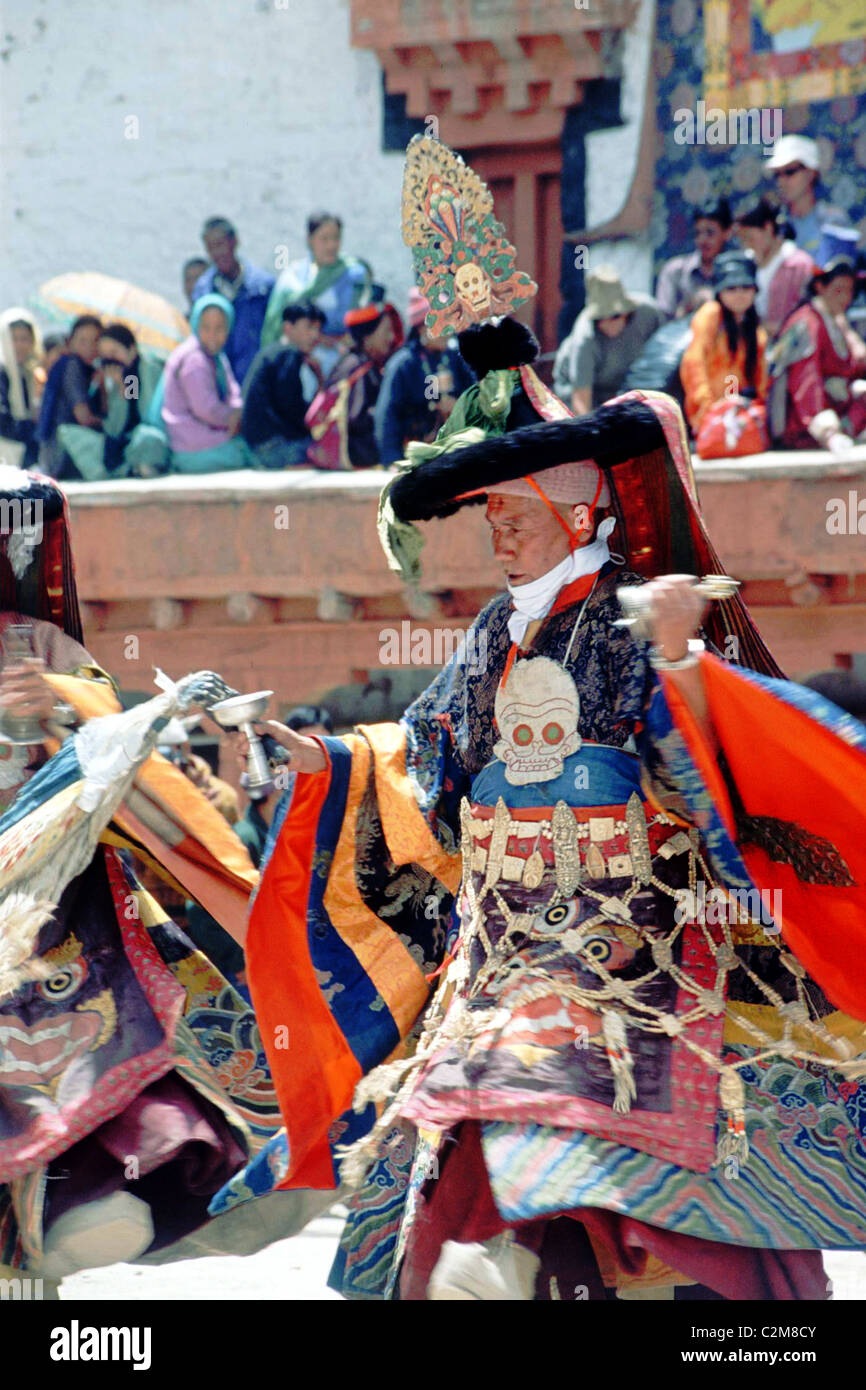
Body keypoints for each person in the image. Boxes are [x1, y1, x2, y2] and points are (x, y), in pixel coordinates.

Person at [232, 388, 866, 1302]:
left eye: (512, 509)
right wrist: (324, 761)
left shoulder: (630, 612)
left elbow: (708, 767)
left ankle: (522, 1248)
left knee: (517, 1069)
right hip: (503, 939)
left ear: (576, 513)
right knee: (429, 1120)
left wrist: (682, 661)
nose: (496, 527)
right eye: (489, 509)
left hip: (625, 941)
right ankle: (485, 1252)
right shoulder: (497, 628)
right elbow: (428, 754)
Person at [0, 469, 280, 1294]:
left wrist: (51, 701)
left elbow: (109, 729)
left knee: (92, 1039)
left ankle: (78, 1200)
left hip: (54, 903)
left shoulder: (40, 644)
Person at [768, 257, 866, 452]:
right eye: (838, 290)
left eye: (849, 290)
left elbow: (853, 367)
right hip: (803, 425)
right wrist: (827, 432)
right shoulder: (806, 322)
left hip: (835, 406)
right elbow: (805, 380)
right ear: (820, 287)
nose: (845, 298)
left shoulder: (834, 320)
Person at [49, 322, 169, 480]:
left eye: (114, 353)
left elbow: (146, 416)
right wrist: (116, 391)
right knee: (70, 434)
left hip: (149, 440)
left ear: (131, 350)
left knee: (147, 437)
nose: (110, 360)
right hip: (126, 444)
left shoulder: (147, 369)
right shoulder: (123, 379)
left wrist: (124, 389)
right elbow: (114, 430)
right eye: (105, 356)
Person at [260, 211, 373, 375]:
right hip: (299, 361)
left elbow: (362, 319)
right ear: (310, 240)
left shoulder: (354, 275)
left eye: (336, 238)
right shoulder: (294, 277)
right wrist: (318, 339)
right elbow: (278, 323)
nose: (331, 245)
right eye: (324, 239)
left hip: (345, 360)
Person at [374, 288, 475, 465]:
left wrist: (459, 406)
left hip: (452, 453)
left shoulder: (454, 358)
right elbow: (387, 416)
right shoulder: (403, 365)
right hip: (413, 455)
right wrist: (392, 461)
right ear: (422, 328)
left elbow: (477, 399)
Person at [160, 294, 253, 473]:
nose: (213, 335)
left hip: (211, 436)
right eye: (206, 327)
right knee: (247, 455)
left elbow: (233, 391)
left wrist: (236, 412)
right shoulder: (194, 360)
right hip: (191, 444)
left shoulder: (217, 357)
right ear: (196, 325)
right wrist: (231, 418)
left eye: (220, 328)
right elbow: (205, 409)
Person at [553, 267, 666, 415]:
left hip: (627, 384)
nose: (607, 324)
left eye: (614, 316)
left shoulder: (649, 313)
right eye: (601, 318)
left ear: (627, 311)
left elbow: (666, 351)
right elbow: (580, 399)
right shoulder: (585, 338)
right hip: (582, 387)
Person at [679, 252, 768, 437]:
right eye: (731, 288)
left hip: (740, 414)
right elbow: (693, 363)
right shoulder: (711, 314)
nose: (739, 294)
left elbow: (760, 381)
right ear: (720, 291)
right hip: (710, 415)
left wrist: (755, 410)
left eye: (745, 287)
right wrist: (706, 409)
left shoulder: (754, 328)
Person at [190, 217, 276, 385]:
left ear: (234, 241)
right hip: (218, 383)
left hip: (257, 379)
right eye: (210, 248)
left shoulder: (263, 288)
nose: (217, 254)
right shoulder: (204, 292)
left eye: (220, 245)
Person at [240, 302, 326, 468]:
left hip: (261, 445)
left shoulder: (274, 352)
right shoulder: (288, 353)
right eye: (309, 328)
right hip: (273, 448)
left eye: (318, 329)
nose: (315, 335)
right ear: (288, 328)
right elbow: (292, 409)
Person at [321, 304, 396, 468]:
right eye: (386, 331)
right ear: (367, 337)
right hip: (356, 454)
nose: (391, 337)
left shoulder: (356, 362)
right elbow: (357, 417)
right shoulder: (359, 367)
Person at [732, 195, 816, 339]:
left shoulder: (798, 266)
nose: (747, 245)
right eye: (743, 240)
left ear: (768, 229)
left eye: (750, 238)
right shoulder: (746, 265)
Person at [36, 314, 104, 478]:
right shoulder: (72, 365)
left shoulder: (90, 371)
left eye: (95, 341)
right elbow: (83, 417)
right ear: (70, 342)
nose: (90, 347)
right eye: (82, 341)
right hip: (64, 452)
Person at [764, 135, 850, 261]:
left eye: (790, 171)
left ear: (811, 173)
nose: (781, 182)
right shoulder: (774, 227)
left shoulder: (833, 220)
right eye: (777, 174)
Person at [655, 198, 732, 319]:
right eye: (697, 233)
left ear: (727, 233)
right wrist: (687, 307)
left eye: (710, 233)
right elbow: (664, 322)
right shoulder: (675, 271)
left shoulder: (737, 272)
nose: (702, 240)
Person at [0, 308, 43, 468]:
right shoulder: (2, 371)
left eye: (24, 339)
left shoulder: (26, 372)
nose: (19, 345)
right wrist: (29, 429)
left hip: (22, 451)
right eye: (14, 339)